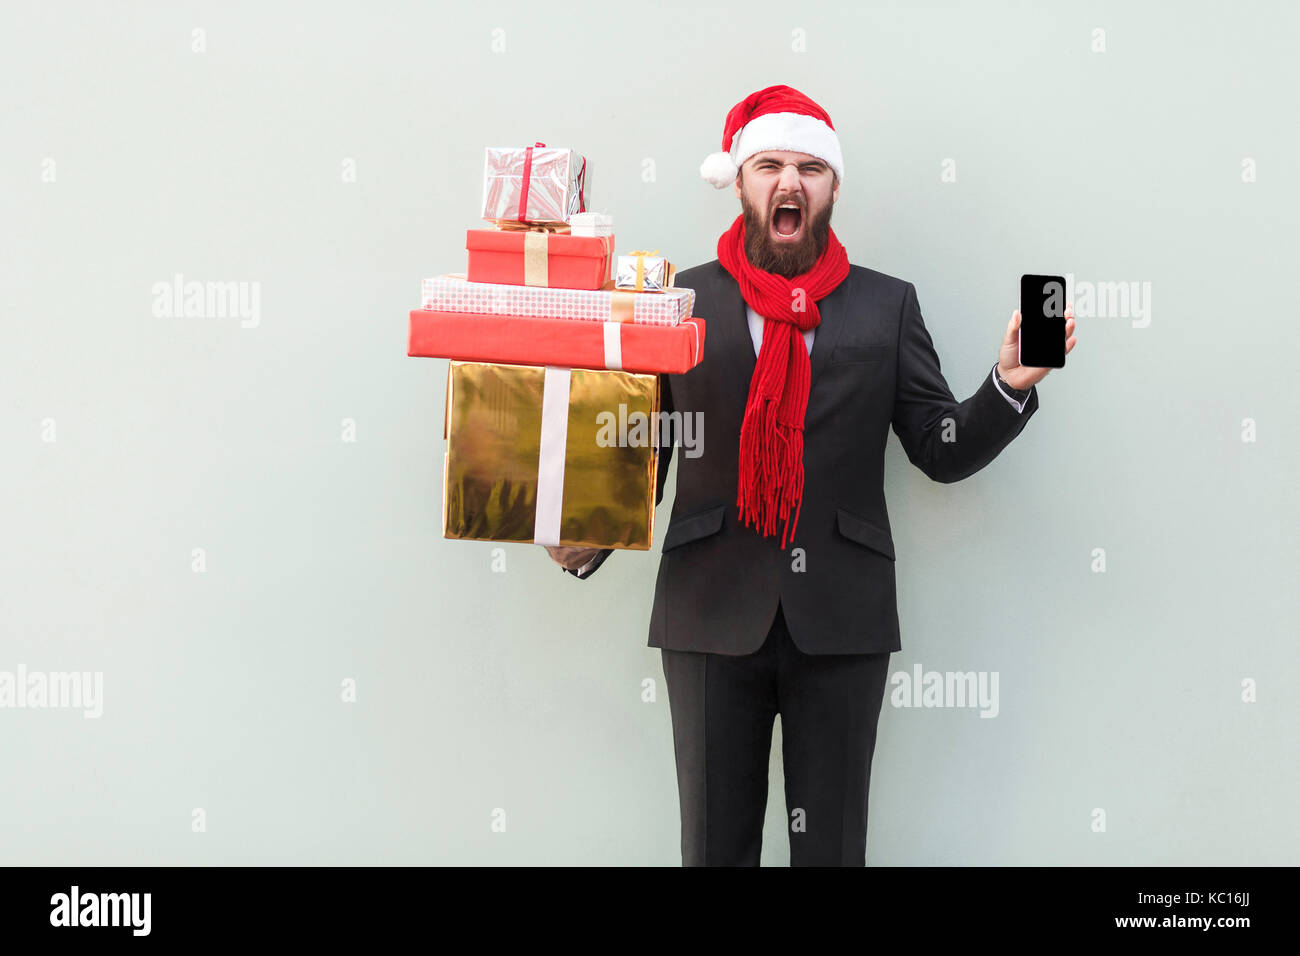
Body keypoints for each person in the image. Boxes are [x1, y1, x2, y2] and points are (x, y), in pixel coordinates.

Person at [546, 84, 1077, 866]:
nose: (788, 182)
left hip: (842, 620)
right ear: (740, 180)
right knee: (714, 848)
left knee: (830, 851)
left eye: (808, 168)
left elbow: (941, 447)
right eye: (769, 165)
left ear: (832, 188)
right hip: (708, 615)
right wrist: (580, 538)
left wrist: (1008, 384)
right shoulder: (676, 300)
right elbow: (645, 449)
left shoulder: (885, 307)